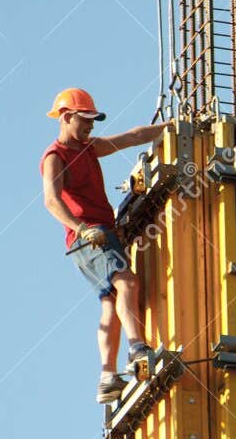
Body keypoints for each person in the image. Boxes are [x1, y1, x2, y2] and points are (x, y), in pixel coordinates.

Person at [40, 89, 165, 403]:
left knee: (111, 302)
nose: (90, 127)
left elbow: (130, 137)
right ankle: (137, 348)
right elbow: (51, 201)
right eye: (85, 120)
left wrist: (172, 127)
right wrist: (82, 230)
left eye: (92, 121)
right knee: (127, 281)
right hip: (89, 236)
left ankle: (108, 378)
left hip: (101, 233)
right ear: (66, 117)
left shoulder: (89, 148)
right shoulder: (55, 156)